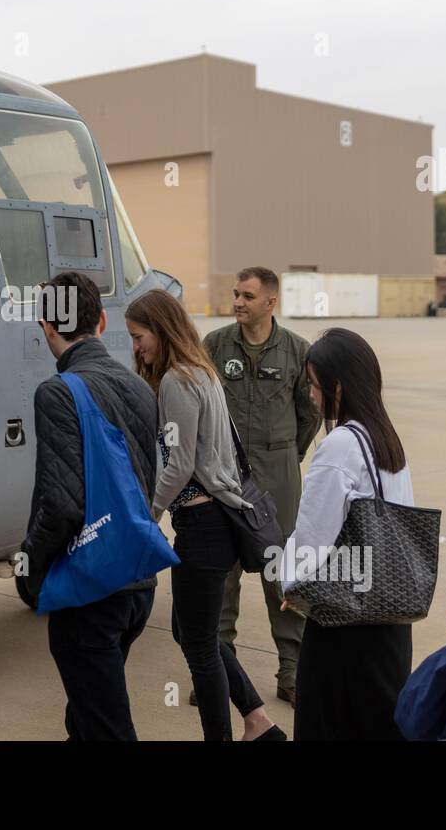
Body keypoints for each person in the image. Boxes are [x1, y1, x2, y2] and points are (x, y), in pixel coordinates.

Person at [125, 289, 285, 741]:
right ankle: (258, 722)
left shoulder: (178, 380)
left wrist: (148, 515)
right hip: (217, 522)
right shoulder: (203, 372)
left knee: (198, 646)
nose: (137, 347)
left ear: (161, 329)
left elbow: (178, 464)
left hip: (204, 525)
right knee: (188, 630)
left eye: (140, 337)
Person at [20, 272, 161, 740]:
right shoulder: (140, 388)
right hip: (137, 585)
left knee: (105, 727)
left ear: (46, 327)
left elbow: (62, 506)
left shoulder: (57, 392)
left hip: (91, 591)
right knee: (84, 717)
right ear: (101, 321)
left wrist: (30, 567)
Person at [278, 328, 413, 741]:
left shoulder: (340, 445)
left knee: (326, 724)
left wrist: (291, 586)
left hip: (344, 622)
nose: (312, 397)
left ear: (337, 385)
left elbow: (312, 539)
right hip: (390, 618)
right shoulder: (386, 439)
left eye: (315, 386)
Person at [204, 267, 319, 706]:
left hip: (278, 474)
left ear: (271, 302)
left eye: (247, 296)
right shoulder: (215, 345)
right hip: (226, 473)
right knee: (223, 574)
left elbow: (308, 415)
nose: (238, 302)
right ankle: (219, 672)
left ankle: (292, 671)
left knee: (281, 572)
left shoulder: (297, 351)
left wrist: (287, 454)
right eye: (235, 294)